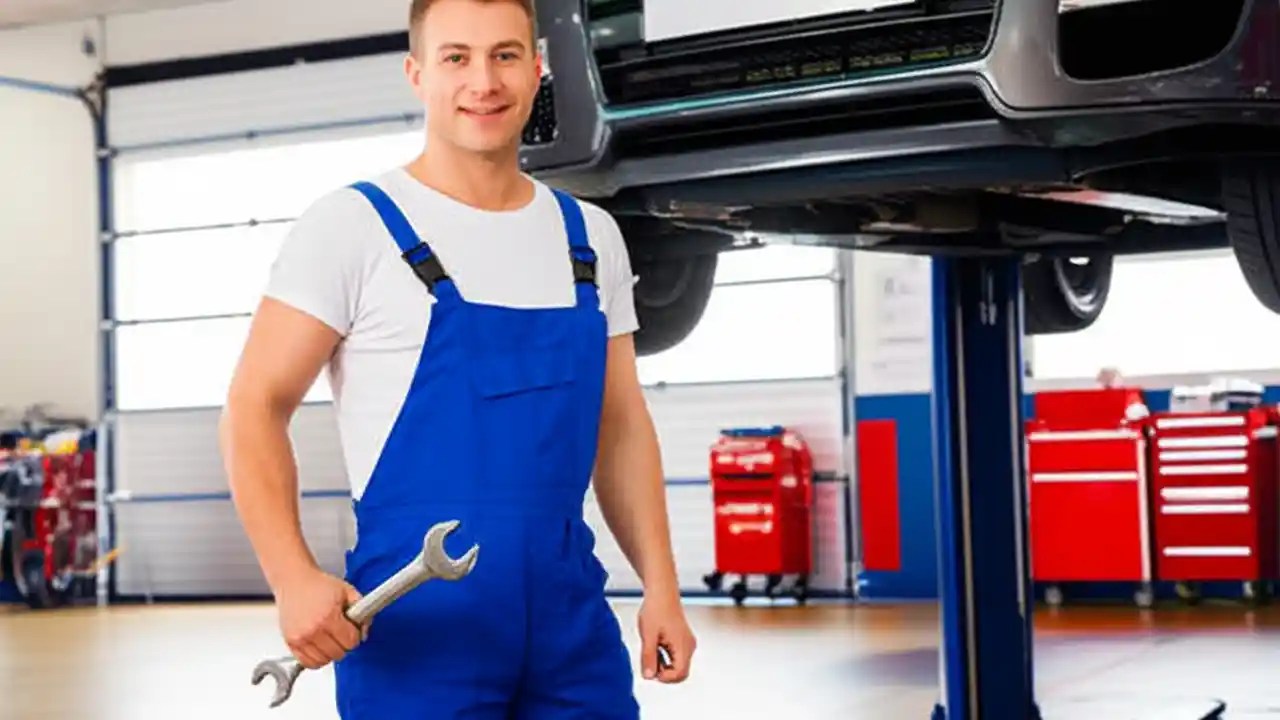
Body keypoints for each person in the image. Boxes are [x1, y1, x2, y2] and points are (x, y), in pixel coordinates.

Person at [219, 0, 696, 716]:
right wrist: (291, 575)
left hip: (571, 621)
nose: (484, 81)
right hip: (417, 622)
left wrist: (661, 584)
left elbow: (621, 424)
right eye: (456, 58)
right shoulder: (352, 225)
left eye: (505, 55)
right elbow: (254, 406)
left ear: (538, 69)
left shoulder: (590, 236)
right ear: (416, 74)